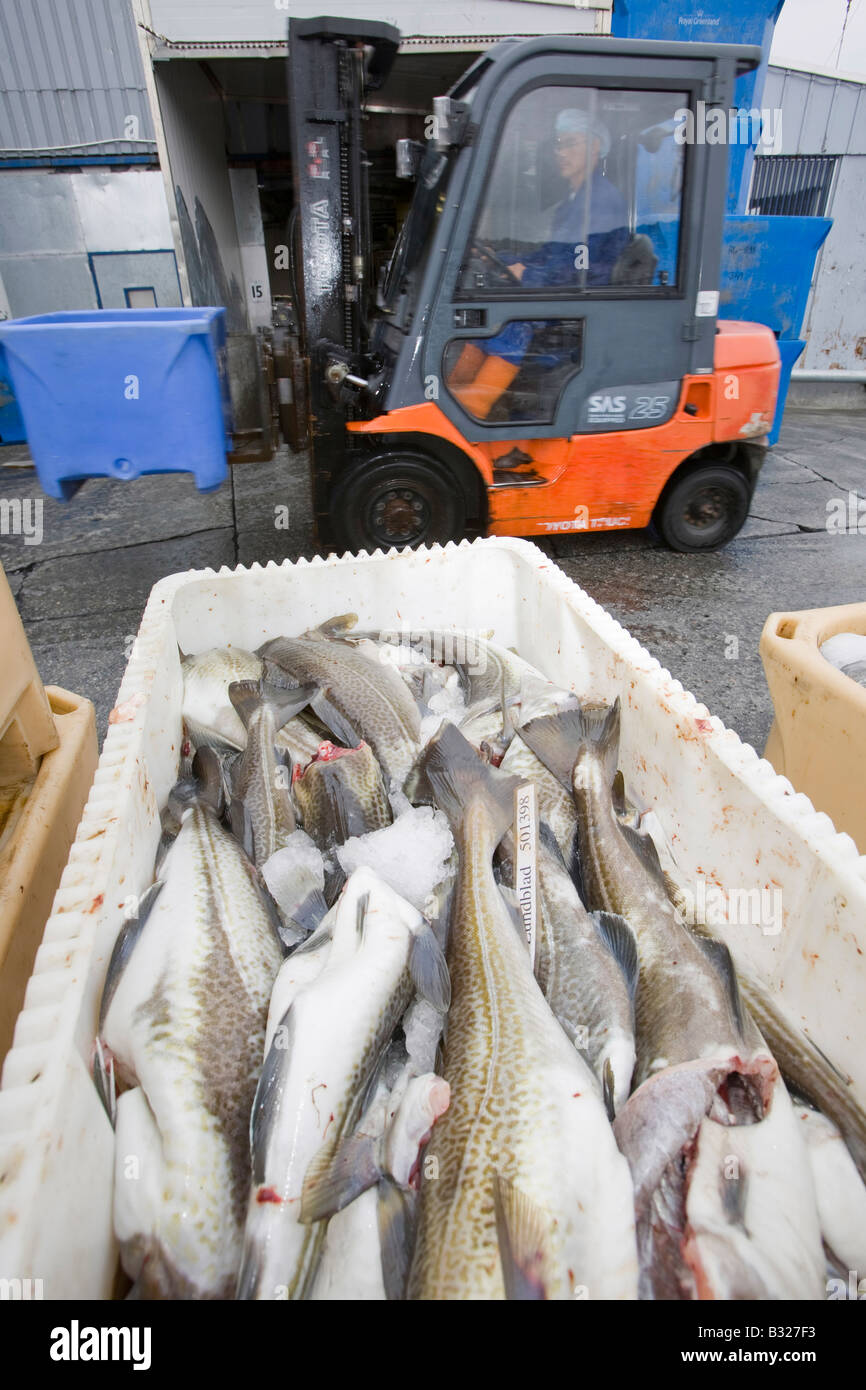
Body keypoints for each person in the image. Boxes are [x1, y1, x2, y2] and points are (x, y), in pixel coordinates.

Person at [450, 109, 630, 419]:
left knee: (510, 318)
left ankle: (475, 404)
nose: (561, 153)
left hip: (586, 303)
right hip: (568, 294)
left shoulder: (599, 201)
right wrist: (503, 259)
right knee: (487, 310)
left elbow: (580, 269)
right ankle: (454, 392)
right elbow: (553, 254)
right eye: (559, 145)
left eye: (571, 144)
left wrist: (529, 273)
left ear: (596, 147)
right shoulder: (575, 201)